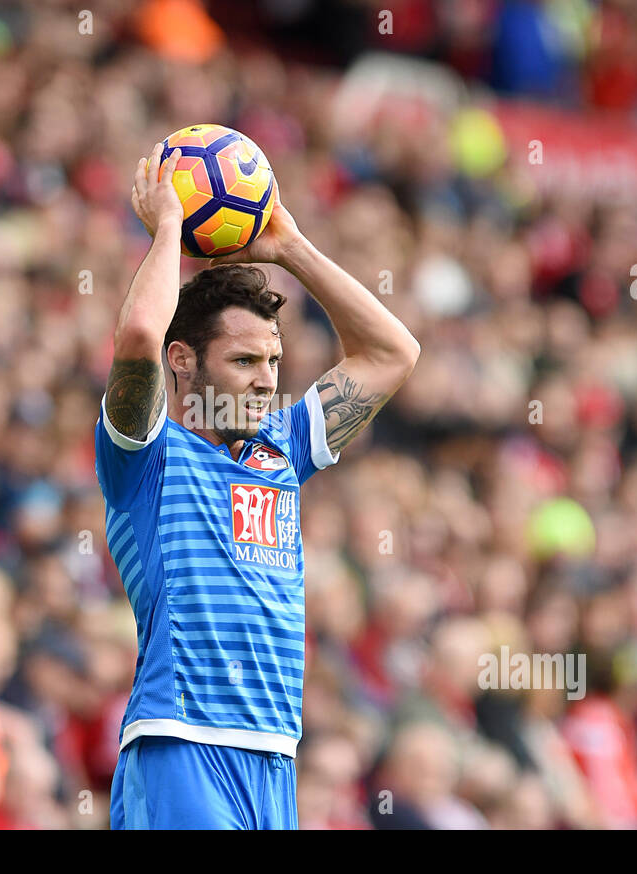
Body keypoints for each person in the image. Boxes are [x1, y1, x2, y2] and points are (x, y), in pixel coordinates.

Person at [98, 142, 420, 829]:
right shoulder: (146, 458)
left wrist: (294, 248)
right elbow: (136, 338)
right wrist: (165, 231)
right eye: (244, 360)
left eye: (273, 359)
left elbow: (393, 353)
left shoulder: (283, 449)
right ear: (182, 363)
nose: (268, 379)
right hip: (180, 745)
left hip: (274, 759)